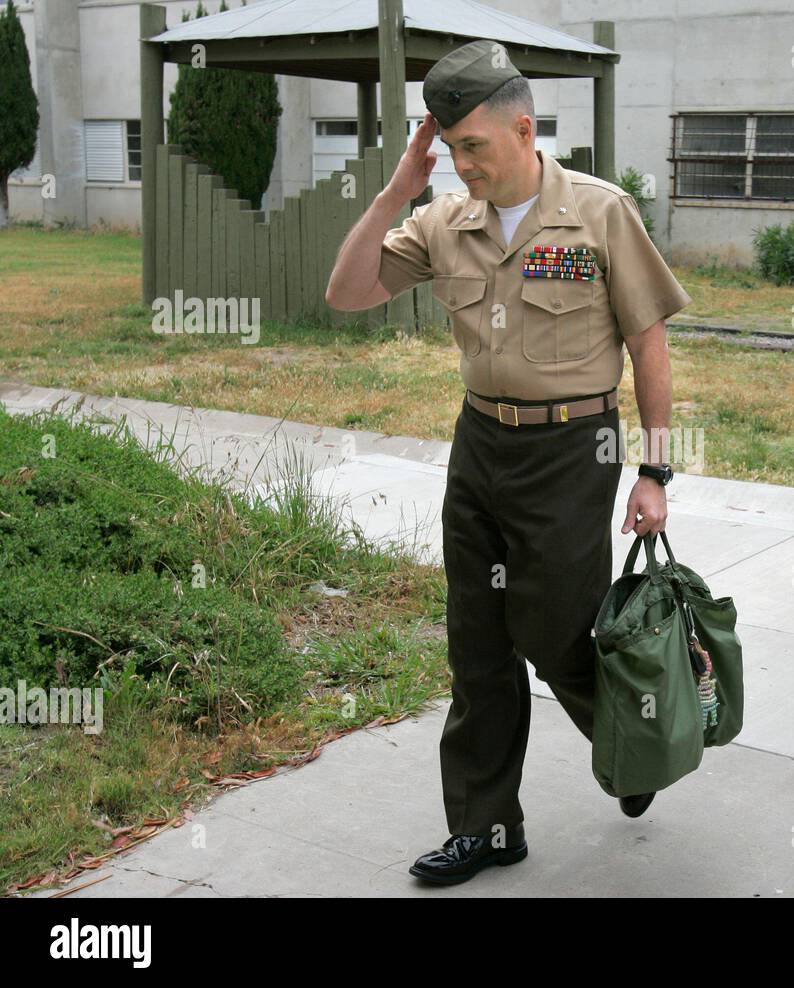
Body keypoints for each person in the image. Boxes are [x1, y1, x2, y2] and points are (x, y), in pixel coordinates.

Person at [325, 40, 691, 886]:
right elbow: (346, 293)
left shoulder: (599, 213)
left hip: (573, 447)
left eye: (474, 147)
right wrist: (395, 191)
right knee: (478, 641)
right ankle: (487, 829)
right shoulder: (443, 220)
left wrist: (655, 471)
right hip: (481, 441)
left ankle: (636, 737)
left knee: (557, 625)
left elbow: (649, 341)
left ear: (524, 130)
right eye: (449, 149)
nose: (461, 165)